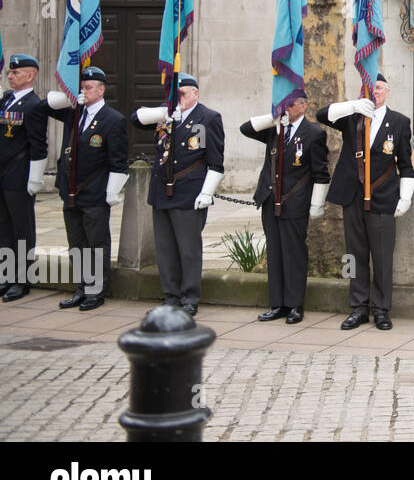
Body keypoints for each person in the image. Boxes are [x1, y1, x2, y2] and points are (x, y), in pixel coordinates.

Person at [318, 73, 414, 331]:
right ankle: (358, 307)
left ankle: (382, 309)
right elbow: (321, 115)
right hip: (353, 196)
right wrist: (352, 105)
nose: (376, 92)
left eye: (380, 88)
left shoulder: (399, 122)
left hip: (383, 198)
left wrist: (405, 197)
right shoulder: (353, 117)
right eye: (371, 88)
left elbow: (406, 164)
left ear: (388, 91)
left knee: (382, 257)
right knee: (353, 255)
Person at [131, 73, 225, 317]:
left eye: (182, 93)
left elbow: (215, 161)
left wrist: (207, 192)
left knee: (188, 249)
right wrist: (163, 112)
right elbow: (135, 120)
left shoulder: (207, 118)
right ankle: (170, 296)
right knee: (165, 248)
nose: (178, 98)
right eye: (174, 93)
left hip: (189, 191)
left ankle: (190, 297)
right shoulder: (166, 116)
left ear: (195, 93)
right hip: (162, 191)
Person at [240, 92, 329, 324]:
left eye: (290, 104)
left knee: (294, 254)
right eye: (283, 105)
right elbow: (245, 129)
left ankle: (295, 304)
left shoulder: (314, 133)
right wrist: (272, 118)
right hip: (271, 200)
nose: (286, 108)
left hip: (295, 201)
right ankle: (277, 303)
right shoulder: (275, 130)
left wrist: (316, 205)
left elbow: (321, 173)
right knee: (275, 253)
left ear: (303, 106)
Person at [43, 65, 128, 310]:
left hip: (94, 192)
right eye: (82, 87)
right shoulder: (75, 114)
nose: (84, 91)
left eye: (89, 87)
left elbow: (117, 160)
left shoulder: (113, 120)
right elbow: (45, 106)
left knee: (96, 244)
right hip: (70, 193)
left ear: (101, 91)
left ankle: (95, 291)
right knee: (76, 244)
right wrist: (69, 98)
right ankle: (80, 288)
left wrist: (112, 191)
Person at [0, 54, 48, 302]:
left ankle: (22, 280)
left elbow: (39, 144)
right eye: (10, 72)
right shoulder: (7, 100)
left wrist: (35, 178)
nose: (10, 76)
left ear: (30, 76)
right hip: (3, 174)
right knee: (4, 230)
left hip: (19, 176)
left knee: (22, 230)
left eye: (15, 73)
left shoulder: (33, 105)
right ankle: (6, 276)